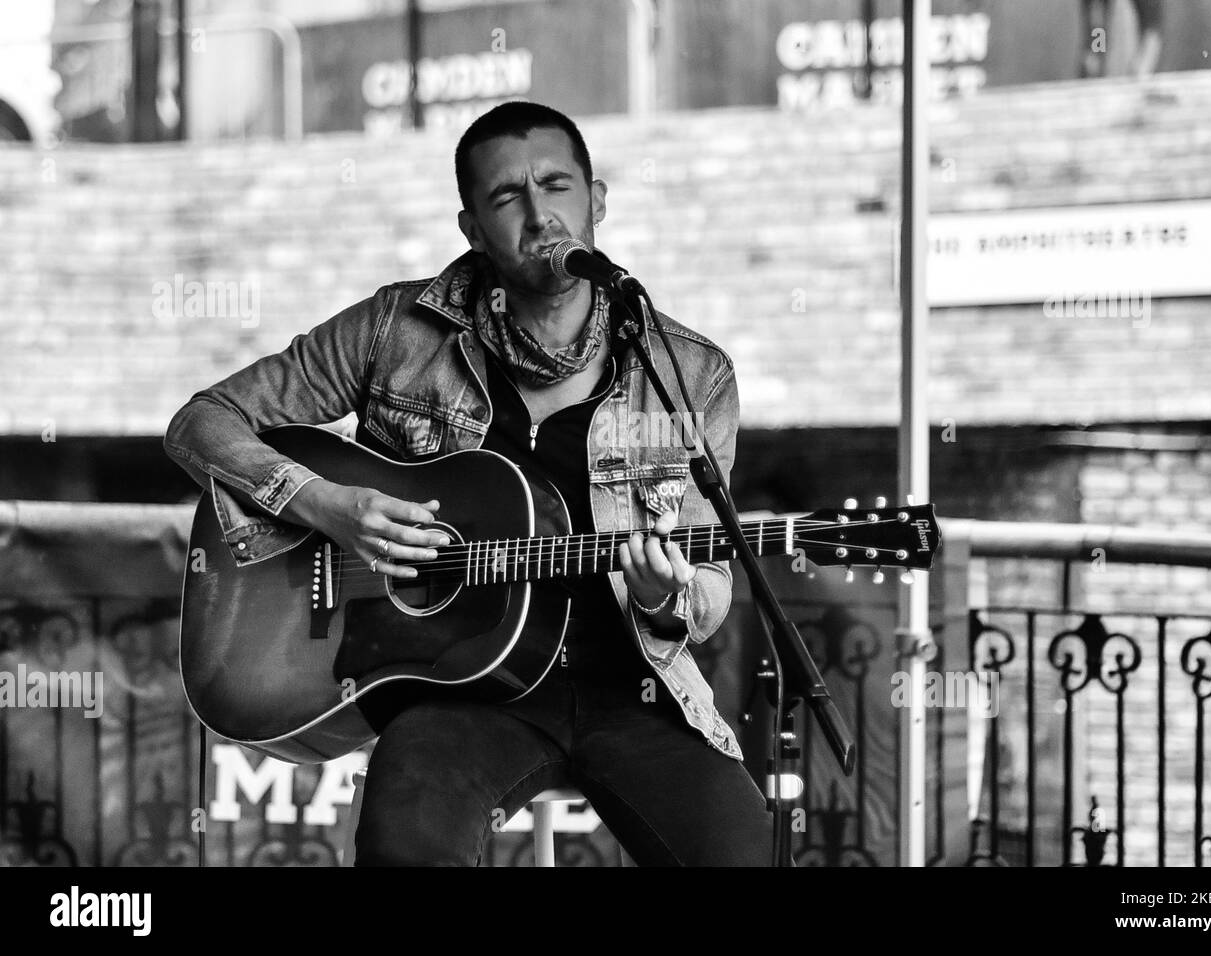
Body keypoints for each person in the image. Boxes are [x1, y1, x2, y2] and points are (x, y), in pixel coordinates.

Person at [163, 100, 780, 866]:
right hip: (460, 696)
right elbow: (203, 422)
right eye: (506, 197)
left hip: (637, 691)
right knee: (405, 848)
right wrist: (327, 505)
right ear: (472, 229)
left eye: (557, 186)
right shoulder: (396, 329)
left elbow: (711, 583)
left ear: (598, 201)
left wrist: (668, 598)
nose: (539, 214)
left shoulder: (690, 373)